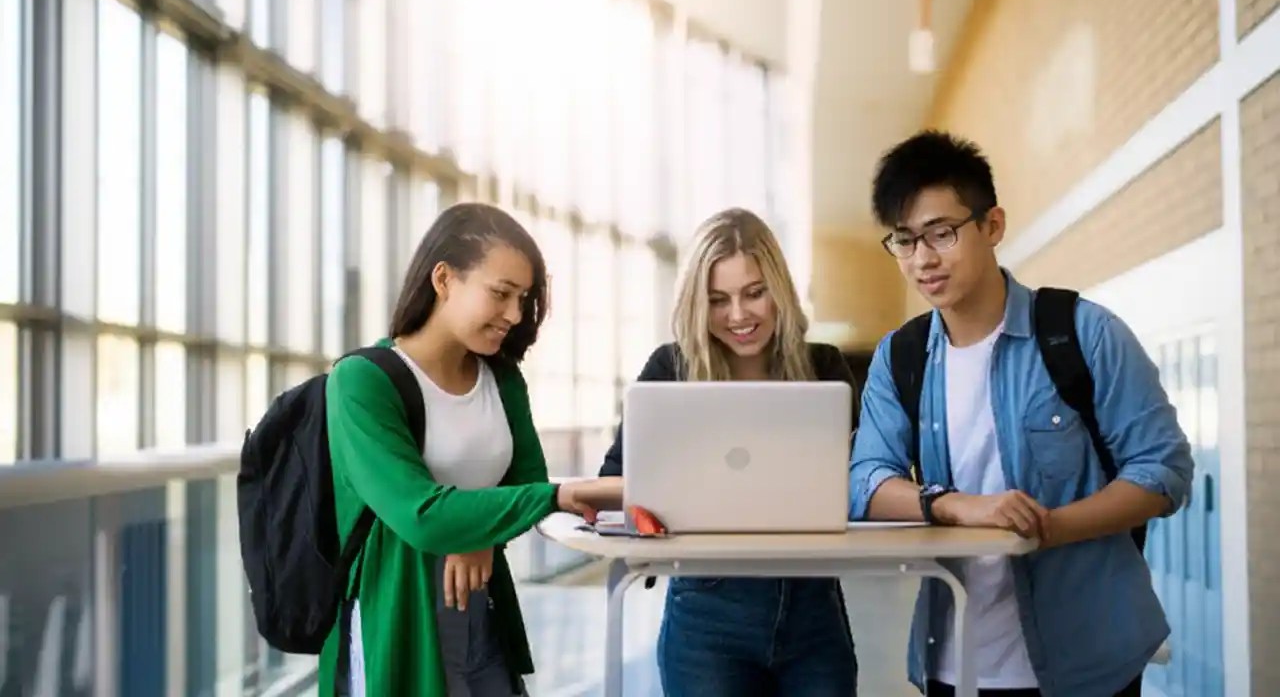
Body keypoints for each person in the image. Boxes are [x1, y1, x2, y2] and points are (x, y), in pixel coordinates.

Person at [849, 131, 1193, 697]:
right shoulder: (901, 357)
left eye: (942, 233)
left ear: (993, 225)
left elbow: (1163, 471)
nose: (923, 259)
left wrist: (1045, 530)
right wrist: (958, 507)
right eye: (906, 240)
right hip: (954, 663)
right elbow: (864, 483)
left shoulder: (1085, 333)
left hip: (1085, 661)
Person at [316, 203, 601, 696]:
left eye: (523, 298)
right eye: (501, 293)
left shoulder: (502, 378)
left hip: (478, 605)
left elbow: (526, 478)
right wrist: (548, 499)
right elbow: (421, 514)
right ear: (444, 279)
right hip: (396, 613)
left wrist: (481, 536)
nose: (514, 314)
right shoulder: (362, 381)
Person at [596, 208, 862, 697]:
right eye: (718, 300)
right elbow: (615, 481)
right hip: (706, 618)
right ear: (697, 304)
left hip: (814, 611)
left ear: (778, 288)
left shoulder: (823, 367)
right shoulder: (671, 369)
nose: (738, 316)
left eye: (754, 293)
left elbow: (860, 481)